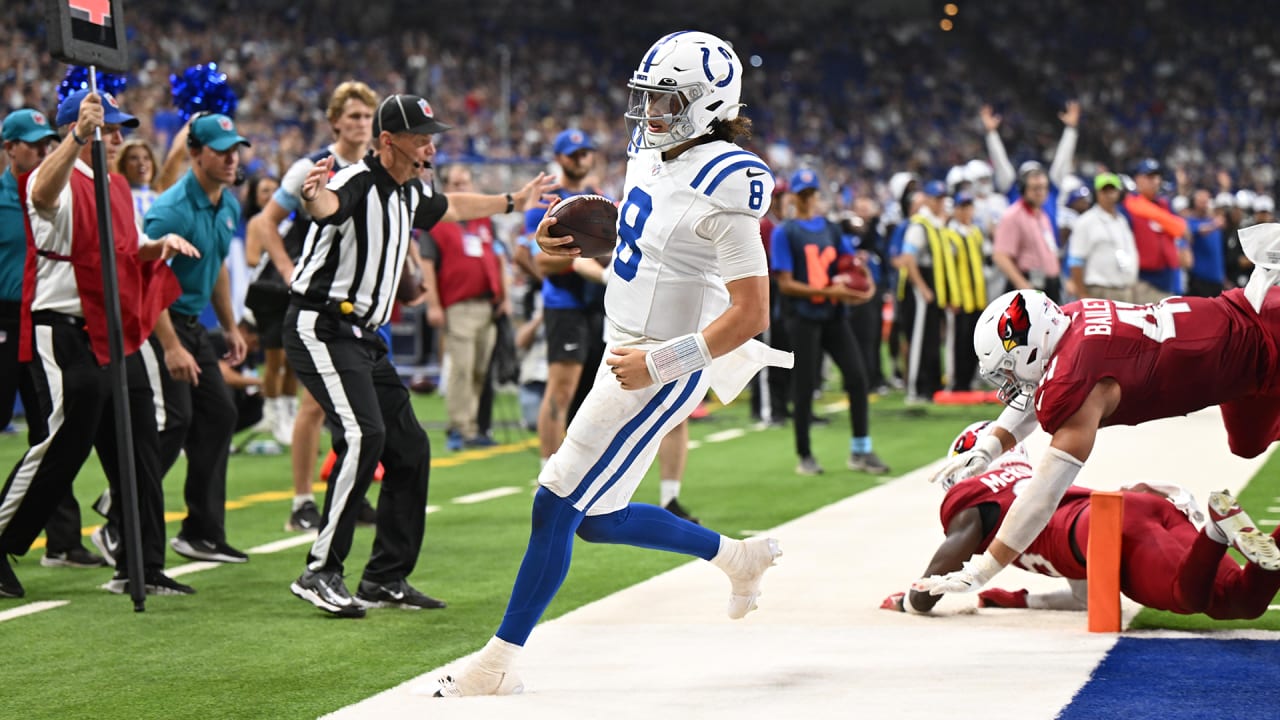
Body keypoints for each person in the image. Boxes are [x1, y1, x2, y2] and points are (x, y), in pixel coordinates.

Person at [434, 31, 787, 697]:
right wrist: (570, 240)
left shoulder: (730, 178)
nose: (651, 111)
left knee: (554, 502)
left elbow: (751, 313)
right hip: (623, 345)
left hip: (663, 364)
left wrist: (662, 362)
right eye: (648, 97)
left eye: (668, 99)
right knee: (595, 519)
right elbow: (648, 238)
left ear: (709, 104)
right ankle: (737, 557)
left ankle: (496, 665)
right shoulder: (650, 151)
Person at [285, 93, 553, 617]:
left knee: (410, 447)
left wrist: (513, 201)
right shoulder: (355, 181)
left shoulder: (411, 189)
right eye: (422, 138)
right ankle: (320, 570)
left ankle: (384, 577)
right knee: (364, 436)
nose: (431, 147)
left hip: (363, 335)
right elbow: (327, 205)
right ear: (388, 141)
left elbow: (451, 207)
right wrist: (311, 197)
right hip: (322, 324)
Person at [916, 279, 1280, 598]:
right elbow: (1037, 389)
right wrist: (988, 447)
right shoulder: (1069, 319)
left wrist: (985, 569)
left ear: (1031, 349)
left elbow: (1042, 497)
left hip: (1266, 346)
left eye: (1009, 370)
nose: (1011, 383)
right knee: (1247, 444)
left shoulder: (1079, 389)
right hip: (1241, 344)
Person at [0, 90, 198, 597]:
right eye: (106, 129)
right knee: (62, 441)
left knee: (139, 444)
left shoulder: (116, 186)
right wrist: (76, 137)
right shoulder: (54, 175)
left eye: (117, 130)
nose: (115, 138)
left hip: (112, 331)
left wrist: (158, 247)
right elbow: (42, 198)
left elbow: (127, 250)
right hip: (64, 327)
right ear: (79, 128)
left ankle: (141, 564)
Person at [885, 422, 1280, 618]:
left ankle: (1215, 530)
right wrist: (1021, 600)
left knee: (1185, 596)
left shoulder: (974, 500)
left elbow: (933, 583)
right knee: (1242, 600)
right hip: (1122, 513)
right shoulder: (1029, 481)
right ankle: (1228, 531)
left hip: (1103, 533)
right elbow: (1084, 595)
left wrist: (910, 602)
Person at [246, 80, 378, 532]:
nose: (361, 123)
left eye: (367, 116)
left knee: (359, 405)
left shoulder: (376, 167)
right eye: (354, 115)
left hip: (360, 301)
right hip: (320, 298)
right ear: (335, 120)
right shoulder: (312, 165)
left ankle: (351, 494)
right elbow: (266, 221)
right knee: (314, 404)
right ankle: (302, 501)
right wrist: (288, 270)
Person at [142, 112, 251, 564]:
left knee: (221, 414)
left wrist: (231, 325)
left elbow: (217, 266)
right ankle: (122, 510)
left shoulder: (227, 205)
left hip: (192, 324)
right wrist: (170, 346)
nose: (231, 159)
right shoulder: (171, 210)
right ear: (195, 154)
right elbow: (144, 283)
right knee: (176, 420)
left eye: (235, 150)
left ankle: (201, 533)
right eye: (220, 151)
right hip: (158, 324)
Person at [1, 109, 105, 569]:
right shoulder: (21, 194)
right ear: (9, 148)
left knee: (52, 431)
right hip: (7, 316)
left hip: (41, 316)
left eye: (47, 142)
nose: (43, 150)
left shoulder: (65, 187)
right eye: (32, 144)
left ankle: (62, 540)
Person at [771, 168, 887, 476]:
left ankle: (861, 449)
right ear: (794, 197)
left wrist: (862, 280)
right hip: (803, 317)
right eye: (803, 194)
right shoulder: (786, 232)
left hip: (833, 315)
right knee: (805, 384)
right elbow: (785, 283)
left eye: (812, 193)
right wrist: (827, 291)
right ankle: (805, 454)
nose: (808, 199)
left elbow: (850, 264)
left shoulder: (832, 229)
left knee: (858, 377)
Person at [520, 128, 607, 468]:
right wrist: (586, 255)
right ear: (559, 159)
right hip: (564, 304)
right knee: (560, 390)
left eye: (585, 153)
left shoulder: (597, 197)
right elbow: (541, 262)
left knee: (594, 397)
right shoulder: (546, 201)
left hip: (596, 304)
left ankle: (579, 470)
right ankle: (548, 471)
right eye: (573, 155)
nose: (581, 159)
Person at [422, 164, 506, 450]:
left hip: (487, 304)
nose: (461, 188)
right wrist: (434, 305)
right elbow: (427, 265)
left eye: (465, 183)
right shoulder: (436, 223)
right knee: (462, 369)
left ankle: (473, 426)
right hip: (458, 306)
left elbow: (498, 258)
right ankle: (460, 428)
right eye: (456, 184)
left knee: (480, 370)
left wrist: (504, 297)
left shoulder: (484, 220)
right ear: (445, 188)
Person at [896, 179, 951, 402]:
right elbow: (908, 259)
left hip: (933, 284)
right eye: (936, 199)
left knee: (932, 339)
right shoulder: (919, 225)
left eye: (942, 199)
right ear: (928, 199)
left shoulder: (936, 223)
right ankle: (916, 388)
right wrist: (922, 287)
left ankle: (932, 386)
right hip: (920, 288)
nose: (940, 203)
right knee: (919, 339)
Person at [1064, 173, 1138, 303]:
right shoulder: (1086, 221)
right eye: (1104, 190)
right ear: (1097, 193)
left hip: (1124, 289)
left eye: (1112, 189)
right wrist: (1082, 293)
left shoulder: (1122, 220)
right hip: (1099, 290)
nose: (1109, 194)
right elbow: (1075, 260)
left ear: (1118, 192)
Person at [992, 165, 1061, 302]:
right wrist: (1021, 283)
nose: (1040, 192)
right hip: (1030, 285)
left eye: (1043, 188)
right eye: (1035, 188)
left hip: (1049, 285)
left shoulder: (1042, 215)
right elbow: (1000, 256)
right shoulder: (1013, 215)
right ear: (1023, 189)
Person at [1125, 158, 1188, 302]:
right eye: (1149, 177)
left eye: (1157, 176)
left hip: (1168, 277)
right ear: (1137, 179)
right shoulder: (1130, 205)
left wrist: (1183, 246)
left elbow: (1181, 230)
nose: (1155, 181)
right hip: (1144, 279)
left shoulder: (1164, 204)